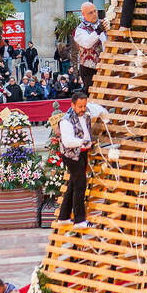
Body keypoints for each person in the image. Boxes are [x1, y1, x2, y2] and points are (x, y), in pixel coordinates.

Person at [57, 91, 109, 229]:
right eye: (80, 106)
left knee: (73, 184)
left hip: (82, 153)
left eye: (84, 106)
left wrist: (106, 119)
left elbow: (100, 110)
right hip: (71, 155)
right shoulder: (66, 120)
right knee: (80, 184)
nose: (82, 109)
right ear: (72, 105)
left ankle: (63, 217)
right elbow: (68, 141)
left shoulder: (87, 111)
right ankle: (79, 220)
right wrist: (83, 142)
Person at [73, 1, 108, 95]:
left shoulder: (102, 23)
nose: (94, 14)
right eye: (90, 12)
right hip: (89, 68)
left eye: (95, 11)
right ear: (83, 14)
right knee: (91, 94)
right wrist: (98, 31)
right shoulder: (80, 29)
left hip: (104, 65)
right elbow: (87, 43)